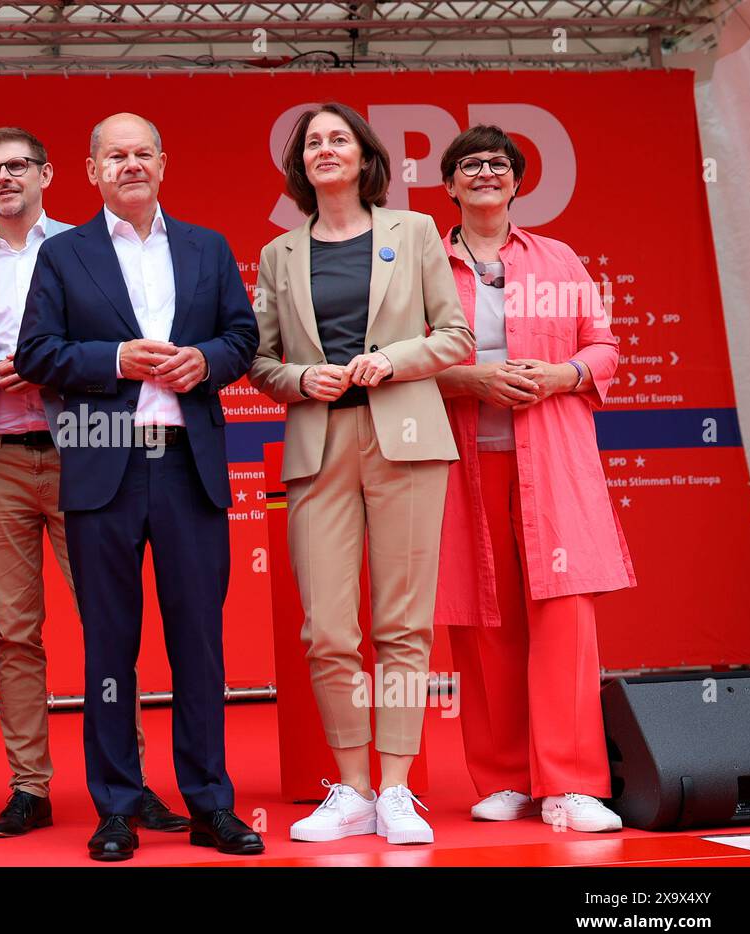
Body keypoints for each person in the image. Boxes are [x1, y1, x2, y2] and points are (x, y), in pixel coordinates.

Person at [15, 112, 263, 862]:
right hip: (103, 464)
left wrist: (207, 361)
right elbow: (37, 352)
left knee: (200, 643)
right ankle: (116, 807)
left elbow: (243, 337)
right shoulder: (63, 254)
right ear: (91, 171)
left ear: (164, 161)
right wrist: (115, 358)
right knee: (109, 648)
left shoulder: (207, 246)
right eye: (113, 156)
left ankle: (210, 803)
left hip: (188, 465)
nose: (129, 165)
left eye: (141, 153)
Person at [0, 127, 188, 838]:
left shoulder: (87, 250)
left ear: (49, 173)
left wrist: (55, 363)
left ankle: (130, 782)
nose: (6, 177)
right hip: (1, 461)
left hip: (89, 453)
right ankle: (29, 786)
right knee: (16, 634)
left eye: (19, 165)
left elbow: (114, 344)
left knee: (111, 626)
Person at [248, 102, 473, 845]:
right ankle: (349, 788)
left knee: (404, 623)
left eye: (337, 139)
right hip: (318, 442)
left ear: (365, 155)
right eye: (312, 143)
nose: (324, 150)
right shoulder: (280, 253)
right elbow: (259, 358)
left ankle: (398, 787)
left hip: (406, 434)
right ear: (300, 166)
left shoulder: (411, 233)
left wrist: (395, 359)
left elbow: (456, 335)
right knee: (327, 629)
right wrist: (296, 379)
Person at [433, 125, 634, 832]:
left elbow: (603, 347)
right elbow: (400, 358)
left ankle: (572, 784)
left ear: (517, 182)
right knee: (482, 621)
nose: (485, 174)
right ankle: (505, 777)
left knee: (564, 615)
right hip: (459, 462)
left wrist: (564, 374)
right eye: (469, 165)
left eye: (499, 165)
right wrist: (467, 378)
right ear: (450, 184)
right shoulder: (426, 263)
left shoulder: (558, 259)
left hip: (551, 456)